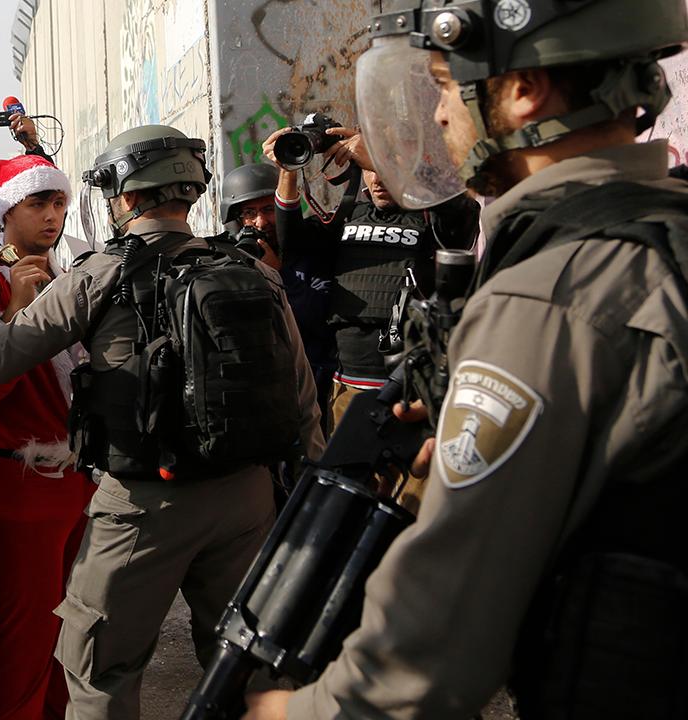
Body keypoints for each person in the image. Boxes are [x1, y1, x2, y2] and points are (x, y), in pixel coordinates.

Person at [248, 0, 688, 717]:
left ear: (524, 90)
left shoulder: (547, 297)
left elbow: (429, 655)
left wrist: (287, 713)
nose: (443, 117)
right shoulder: (661, 232)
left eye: (449, 87)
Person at [0, 124, 325, 719]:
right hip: (247, 498)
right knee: (244, 662)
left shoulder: (97, 273)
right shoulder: (250, 268)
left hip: (143, 505)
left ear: (124, 196)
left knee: (100, 669)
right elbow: (302, 393)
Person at [0, 153, 96, 719]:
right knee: (28, 627)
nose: (52, 215)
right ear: (9, 209)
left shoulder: (66, 272)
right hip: (18, 481)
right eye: (38, 203)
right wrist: (12, 304)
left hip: (73, 476)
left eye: (59, 202)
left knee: (68, 626)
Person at [262, 127, 479, 431]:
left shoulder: (433, 218)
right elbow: (292, 244)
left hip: (415, 389)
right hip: (348, 385)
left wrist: (377, 157)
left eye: (386, 165)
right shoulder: (349, 217)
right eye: (368, 167)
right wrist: (288, 170)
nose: (377, 179)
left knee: (417, 478)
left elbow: (463, 211)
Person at [219, 163, 336, 420]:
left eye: (269, 210)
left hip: (322, 387)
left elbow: (314, 320)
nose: (260, 222)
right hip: (266, 393)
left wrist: (278, 277)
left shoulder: (315, 249)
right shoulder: (229, 261)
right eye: (249, 212)